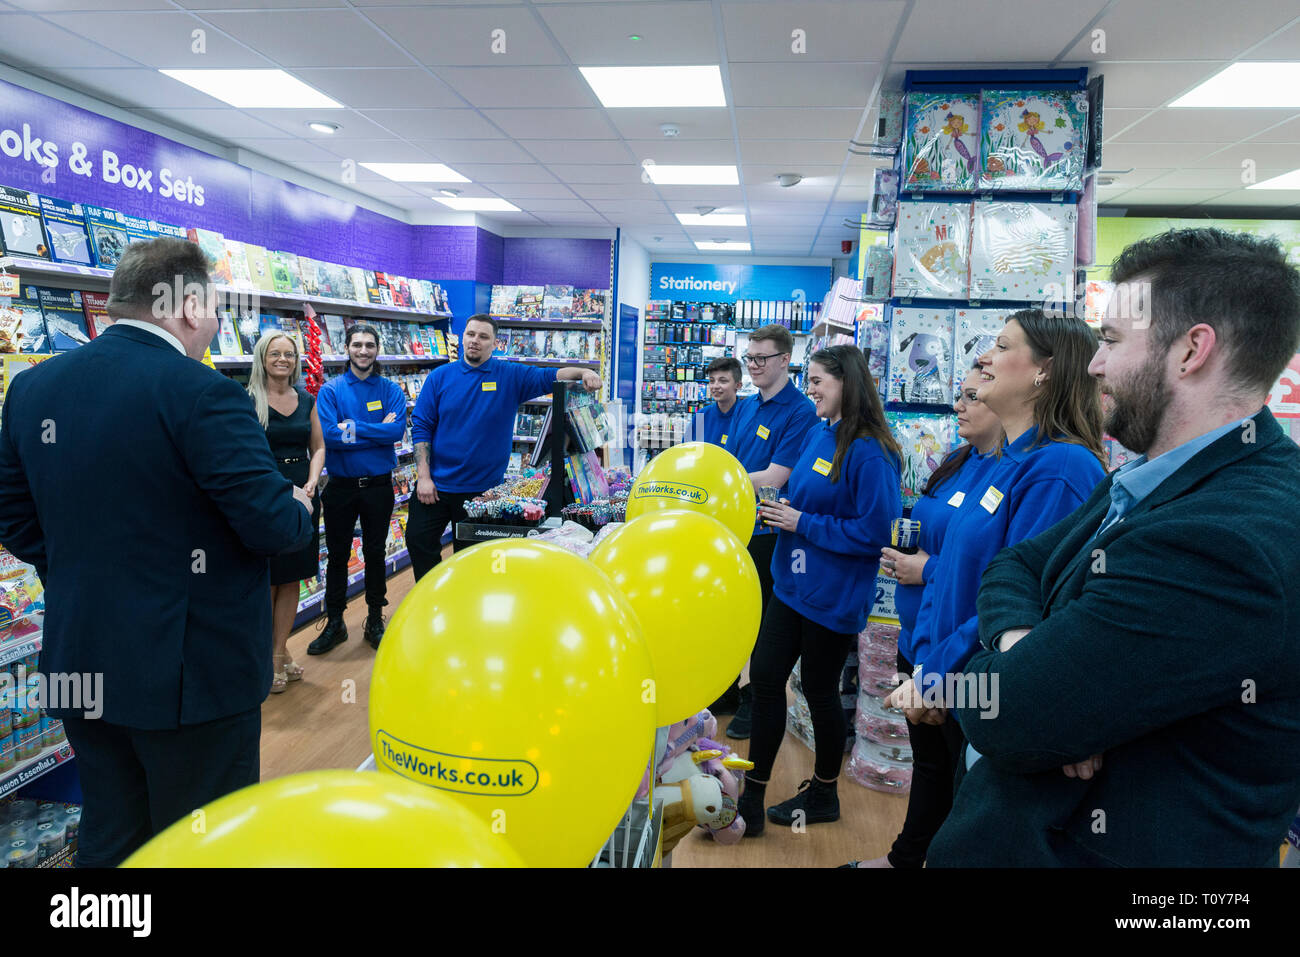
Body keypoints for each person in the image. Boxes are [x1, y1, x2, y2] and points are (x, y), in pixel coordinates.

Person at [929, 229, 1300, 867]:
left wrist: (1025, 690)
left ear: (1191, 351)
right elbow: (1013, 566)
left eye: (1111, 342)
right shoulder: (1160, 475)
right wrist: (1027, 650)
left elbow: (1008, 713)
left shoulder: (1228, 538)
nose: (1095, 365)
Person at [0, 237, 314, 867]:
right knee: (204, 844)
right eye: (218, 309)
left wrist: (88, 570)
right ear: (190, 307)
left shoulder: (32, 389)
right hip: (190, 673)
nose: (219, 324)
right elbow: (274, 528)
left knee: (112, 830)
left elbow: (14, 518)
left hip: (83, 657)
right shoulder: (205, 394)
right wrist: (300, 505)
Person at [883, 309, 1107, 864]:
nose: (982, 357)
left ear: (1044, 373)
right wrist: (931, 668)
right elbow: (962, 581)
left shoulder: (1060, 469)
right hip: (964, 692)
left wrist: (939, 678)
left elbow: (1022, 607)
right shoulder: (1005, 461)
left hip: (998, 698)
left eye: (1002, 346)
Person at [844, 360, 1003, 868]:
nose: (958, 405)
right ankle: (907, 858)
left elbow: (996, 574)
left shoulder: (1024, 471)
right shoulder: (962, 459)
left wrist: (926, 569)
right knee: (931, 764)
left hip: (962, 654)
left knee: (955, 770)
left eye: (973, 397)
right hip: (922, 638)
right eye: (959, 394)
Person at [737, 345, 901, 835]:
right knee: (766, 680)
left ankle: (825, 791)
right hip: (791, 585)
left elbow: (878, 532)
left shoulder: (871, 452)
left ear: (847, 383)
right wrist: (782, 508)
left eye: (817, 381)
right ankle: (753, 796)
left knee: (819, 691)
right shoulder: (817, 432)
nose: (809, 391)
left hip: (832, 597)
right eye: (807, 381)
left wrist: (803, 522)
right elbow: (803, 495)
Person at [406, 313, 603, 580]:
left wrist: (584, 372)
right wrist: (424, 477)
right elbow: (421, 427)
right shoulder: (439, 378)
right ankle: (428, 602)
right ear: (463, 337)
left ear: (495, 343)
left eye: (483, 336)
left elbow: (552, 375)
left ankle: (467, 611)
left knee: (475, 562)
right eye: (471, 334)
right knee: (419, 544)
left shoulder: (510, 375)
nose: (475, 341)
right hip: (436, 488)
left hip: (483, 493)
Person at [713, 324, 820, 735]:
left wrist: (719, 481)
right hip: (734, 527)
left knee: (761, 622)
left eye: (761, 359)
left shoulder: (801, 412)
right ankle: (726, 687)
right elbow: (732, 459)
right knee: (731, 613)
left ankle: (755, 698)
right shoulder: (745, 406)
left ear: (785, 360)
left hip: (769, 531)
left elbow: (777, 475)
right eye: (750, 358)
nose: (753, 366)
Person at [307, 323, 406, 655]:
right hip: (340, 488)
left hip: (378, 487)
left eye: (370, 345)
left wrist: (356, 428)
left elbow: (395, 434)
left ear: (377, 349)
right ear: (346, 348)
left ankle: (375, 619)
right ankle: (335, 622)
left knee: (375, 553)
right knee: (337, 556)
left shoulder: (390, 389)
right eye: (357, 345)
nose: (364, 351)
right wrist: (375, 430)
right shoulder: (331, 390)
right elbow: (332, 437)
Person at [247, 332, 325, 692]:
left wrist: (312, 481)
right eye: (275, 354)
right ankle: (274, 654)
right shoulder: (248, 400)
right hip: (266, 496)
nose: (283, 359)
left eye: (290, 354)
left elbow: (319, 446)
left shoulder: (307, 399)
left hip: (302, 497)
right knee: (268, 579)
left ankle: (278, 652)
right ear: (262, 358)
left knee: (292, 576)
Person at [698, 356, 743, 449]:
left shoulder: (747, 416)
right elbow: (687, 451)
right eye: (711, 381)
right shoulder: (701, 416)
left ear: (738, 385)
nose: (715, 386)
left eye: (723, 381)